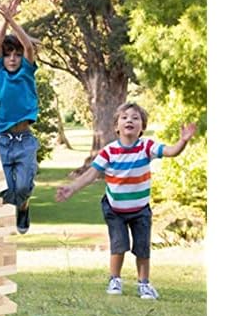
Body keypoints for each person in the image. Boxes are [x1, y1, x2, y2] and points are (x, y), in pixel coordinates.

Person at [55, 102, 196, 299]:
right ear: (116, 126)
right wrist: (71, 188)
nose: (130, 120)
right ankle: (115, 280)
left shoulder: (147, 147)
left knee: (143, 248)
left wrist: (183, 141)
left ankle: (144, 284)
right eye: (125, 117)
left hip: (140, 209)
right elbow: (90, 174)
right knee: (119, 245)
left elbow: (171, 151)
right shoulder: (109, 151)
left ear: (142, 127)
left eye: (135, 118)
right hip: (115, 209)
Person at [0, 0, 40, 234]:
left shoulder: (27, 72)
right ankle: (17, 205)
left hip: (24, 139)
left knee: (22, 187)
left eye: (16, 55)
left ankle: (24, 206)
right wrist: (4, 21)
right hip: (2, 139)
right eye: (9, 54)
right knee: (4, 188)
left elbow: (28, 46)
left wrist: (12, 20)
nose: (12, 58)